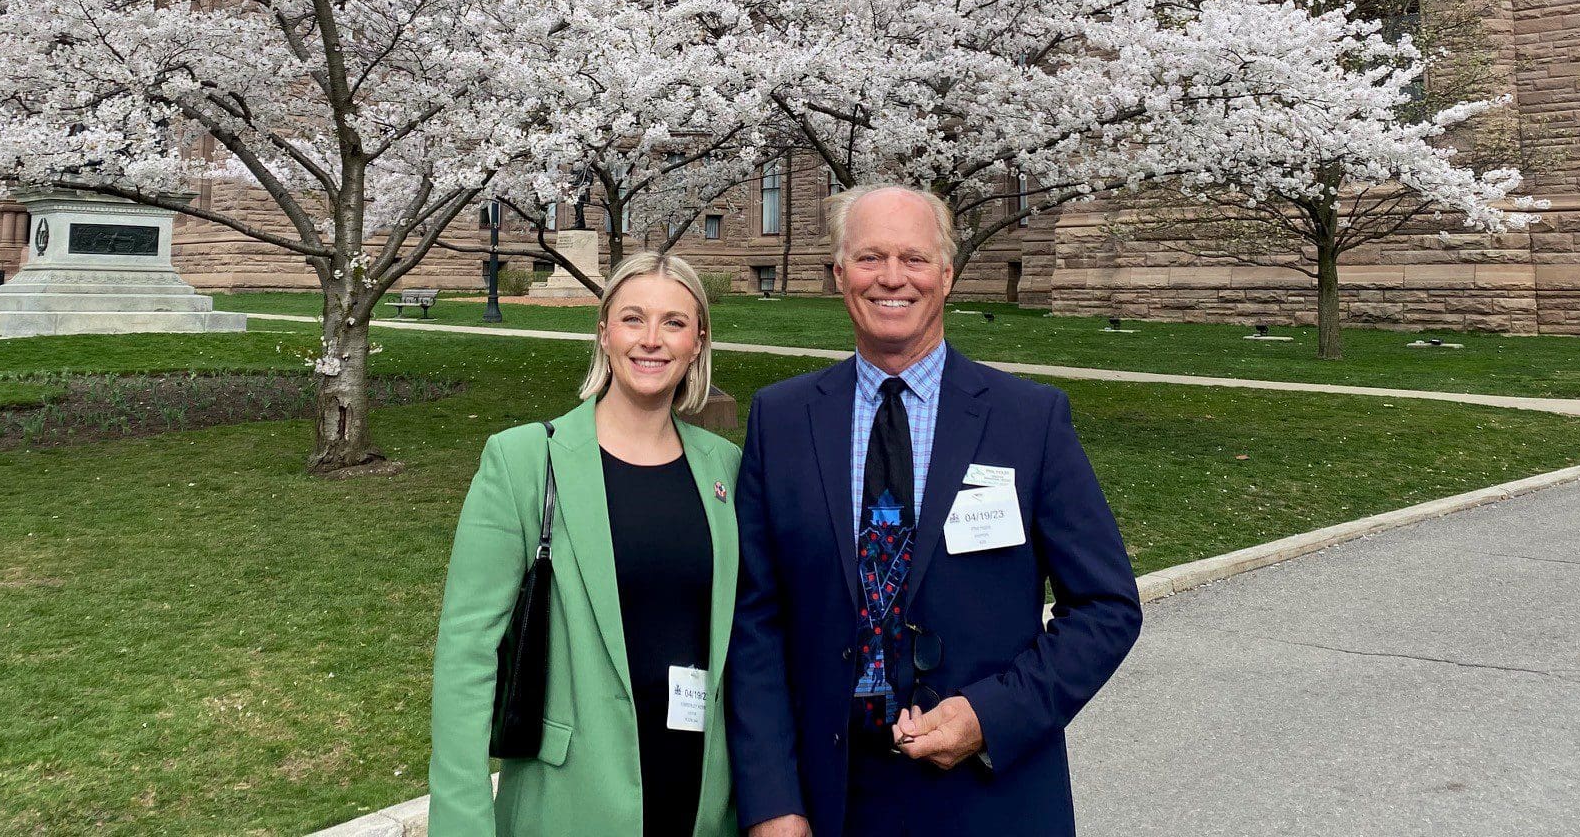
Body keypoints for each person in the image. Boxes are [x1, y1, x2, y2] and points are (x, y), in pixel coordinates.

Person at [728, 185, 1142, 837]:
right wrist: (772, 801)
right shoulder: (780, 420)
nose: (892, 277)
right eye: (869, 258)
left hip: (989, 797)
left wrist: (992, 716)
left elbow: (1107, 607)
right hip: (829, 799)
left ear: (947, 275)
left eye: (914, 259)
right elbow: (754, 621)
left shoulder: (1027, 421)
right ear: (839, 274)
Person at [430, 251, 742, 837]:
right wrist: (461, 821)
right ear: (603, 332)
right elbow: (467, 655)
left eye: (674, 322)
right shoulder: (524, 461)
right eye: (633, 318)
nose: (652, 340)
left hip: (701, 796)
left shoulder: (726, 469)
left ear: (698, 341)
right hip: (570, 796)